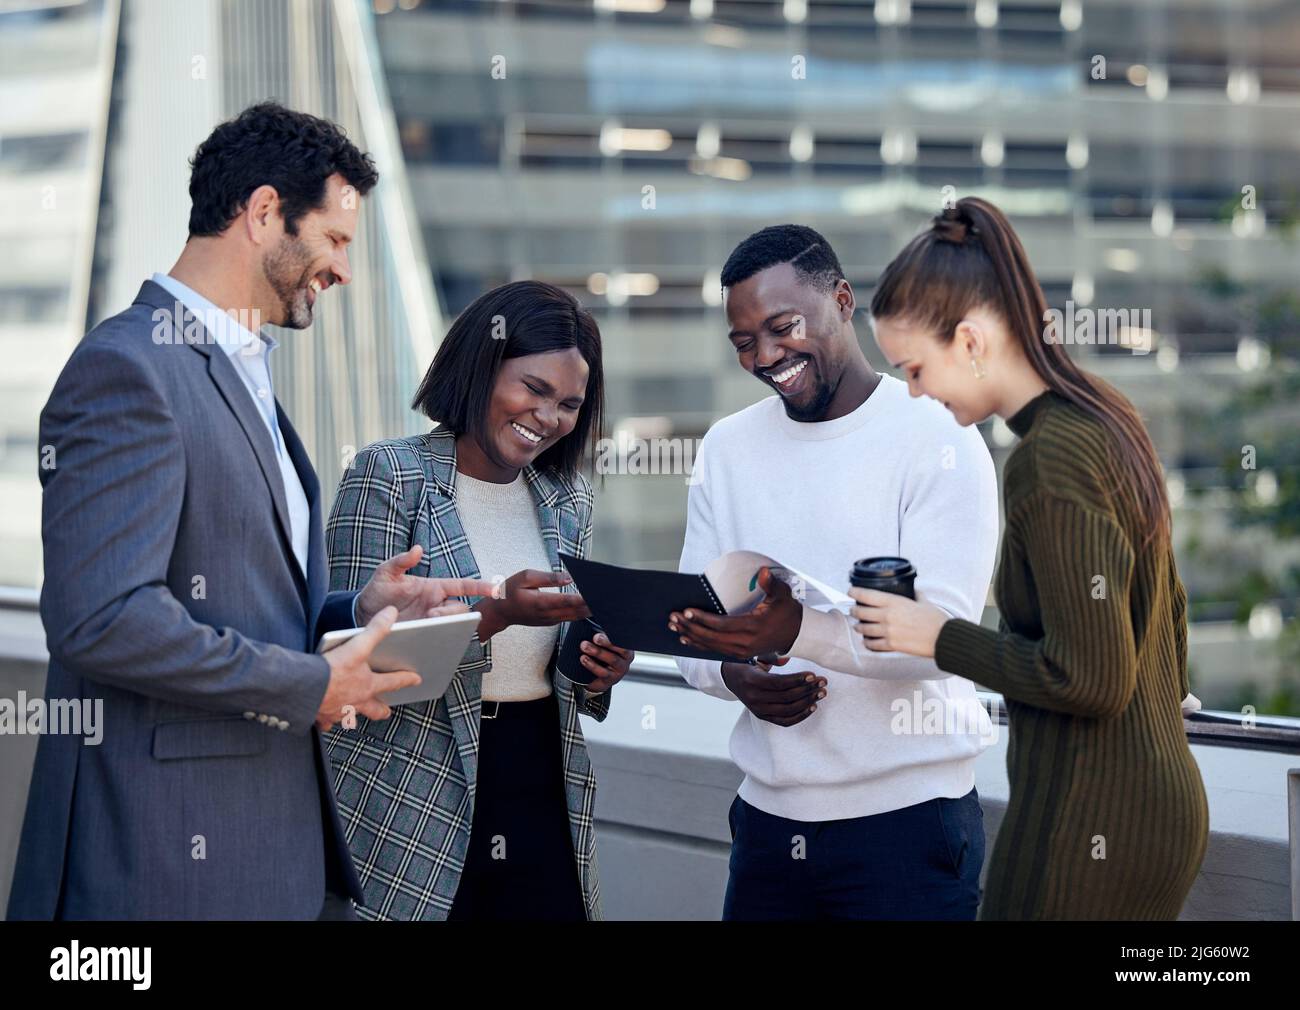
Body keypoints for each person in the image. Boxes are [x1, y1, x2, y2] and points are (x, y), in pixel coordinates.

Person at [7, 102, 493, 921]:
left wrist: (358, 611)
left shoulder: (244, 369)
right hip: (169, 860)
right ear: (264, 213)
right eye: (336, 240)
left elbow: (235, 599)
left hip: (264, 851)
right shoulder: (128, 370)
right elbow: (101, 617)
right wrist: (311, 683)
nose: (344, 270)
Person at [850, 197, 1209, 919]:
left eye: (916, 369)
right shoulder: (1104, 412)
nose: (916, 393)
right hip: (1160, 805)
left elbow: (1091, 679)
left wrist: (936, 637)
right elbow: (1168, 611)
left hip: (1091, 817)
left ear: (973, 340)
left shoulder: (1046, 459)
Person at [669, 225, 999, 920]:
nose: (766, 356)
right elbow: (693, 627)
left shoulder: (938, 436)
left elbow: (945, 637)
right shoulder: (728, 448)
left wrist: (798, 631)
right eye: (743, 342)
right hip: (767, 825)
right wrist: (733, 674)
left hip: (908, 827)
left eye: (783, 327)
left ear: (843, 301)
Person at [324, 280, 634, 920]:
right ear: (480, 367)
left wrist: (599, 667)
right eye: (534, 389)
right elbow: (350, 676)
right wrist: (495, 615)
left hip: (545, 785)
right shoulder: (390, 476)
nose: (548, 418)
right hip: (417, 797)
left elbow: (556, 664)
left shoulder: (566, 498)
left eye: (570, 403)